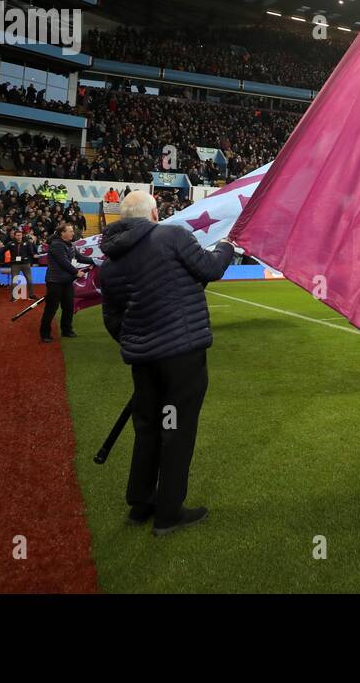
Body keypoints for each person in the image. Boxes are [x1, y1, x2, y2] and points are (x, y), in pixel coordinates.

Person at [99, 190, 235, 536]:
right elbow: (212, 268)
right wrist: (228, 245)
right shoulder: (171, 236)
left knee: (147, 429)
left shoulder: (110, 261)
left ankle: (140, 503)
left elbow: (113, 319)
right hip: (181, 358)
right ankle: (169, 513)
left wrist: (139, 343)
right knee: (176, 431)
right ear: (154, 213)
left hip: (144, 362)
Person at [39, 222, 94, 342]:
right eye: (70, 231)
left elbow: (81, 258)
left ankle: (67, 330)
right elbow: (63, 262)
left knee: (68, 307)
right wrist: (76, 272)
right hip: (55, 281)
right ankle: (45, 333)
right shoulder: (56, 245)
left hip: (67, 281)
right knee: (51, 308)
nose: (73, 233)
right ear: (62, 233)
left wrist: (96, 261)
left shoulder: (70, 245)